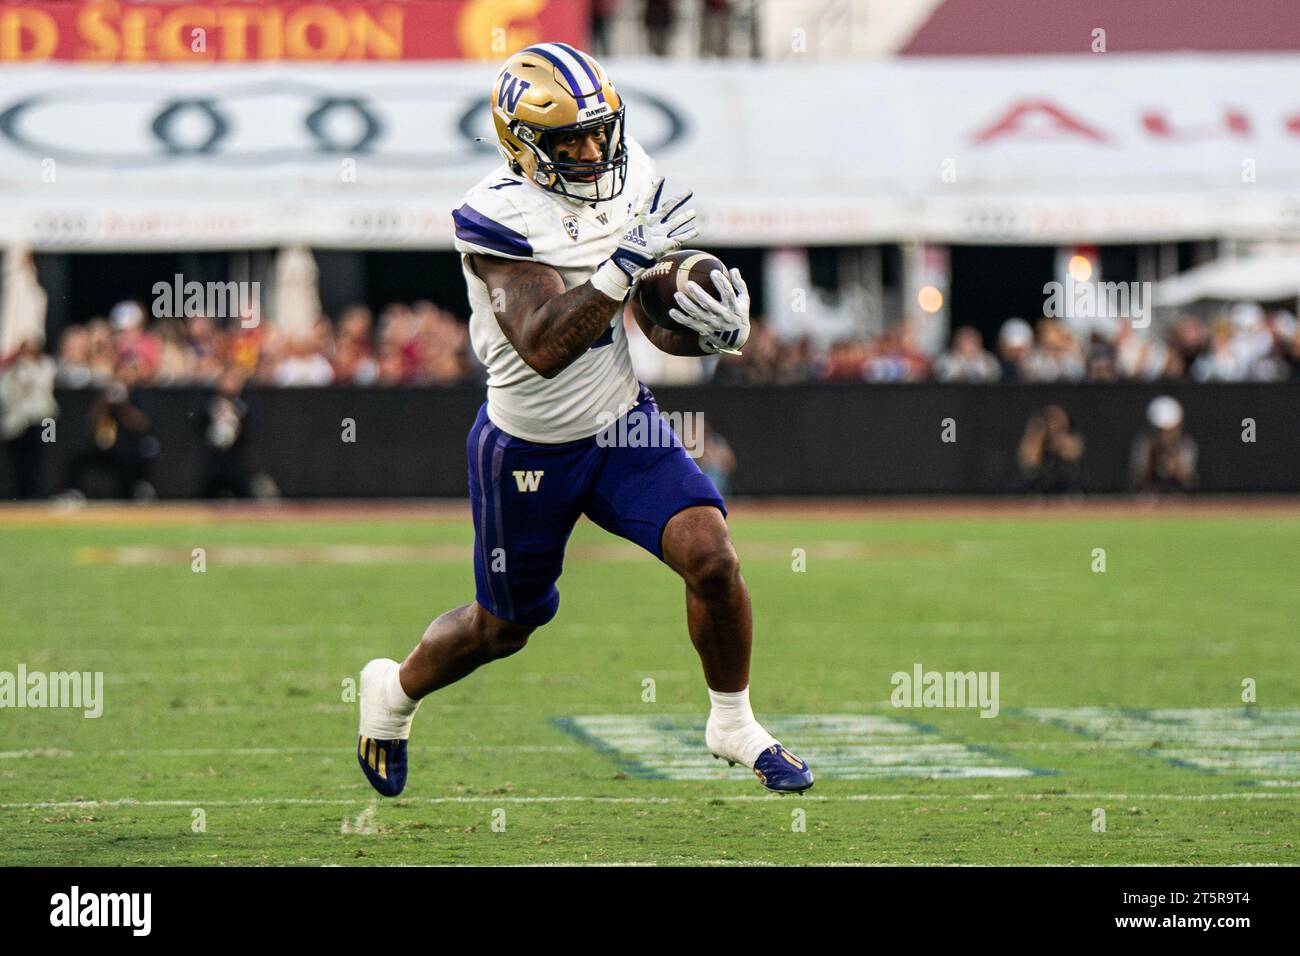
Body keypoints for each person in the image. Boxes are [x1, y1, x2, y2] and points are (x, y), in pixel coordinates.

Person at [355, 43, 812, 798]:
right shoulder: (496, 216)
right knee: (504, 626)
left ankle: (732, 720)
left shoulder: (635, 176)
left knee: (713, 556)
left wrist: (705, 329)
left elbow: (642, 314)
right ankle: (394, 693)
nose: (594, 149)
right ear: (523, 144)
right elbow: (542, 345)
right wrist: (623, 263)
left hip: (621, 423)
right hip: (528, 447)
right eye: (570, 140)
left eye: (601, 130)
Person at [0, 337, 58, 499]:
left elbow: (43, 385)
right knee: (20, 458)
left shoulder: (46, 365)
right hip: (21, 420)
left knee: (47, 453)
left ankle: (44, 491)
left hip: (46, 419)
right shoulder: (14, 369)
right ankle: (22, 493)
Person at [1131, 395, 1197, 493]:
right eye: (1160, 431)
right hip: (1148, 498)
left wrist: (1175, 463)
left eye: (1170, 431)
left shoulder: (1185, 444)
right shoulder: (1145, 443)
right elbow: (1137, 478)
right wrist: (1152, 457)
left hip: (1180, 498)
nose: (1165, 436)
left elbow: (1190, 481)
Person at [1017, 405, 1084, 493]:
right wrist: (1037, 435)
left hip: (1065, 487)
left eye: (1057, 421)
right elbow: (1030, 463)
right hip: (1038, 488)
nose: (1053, 425)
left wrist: (1057, 438)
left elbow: (1072, 455)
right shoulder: (1035, 439)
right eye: (1050, 421)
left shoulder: (1070, 438)